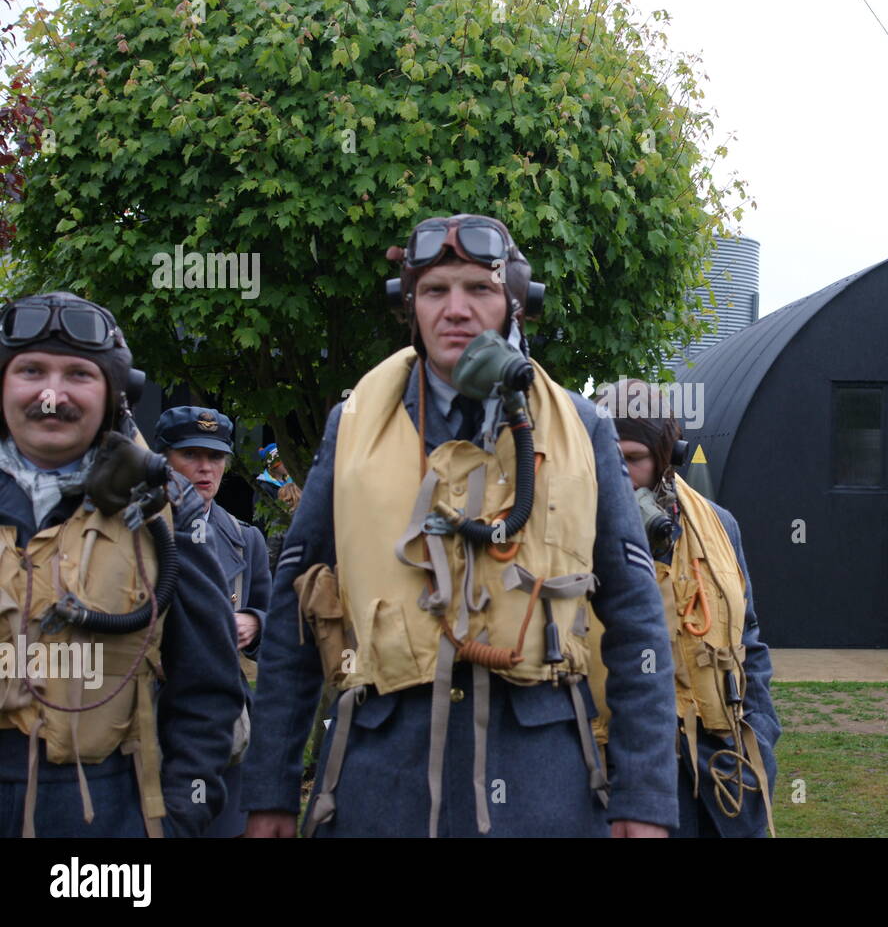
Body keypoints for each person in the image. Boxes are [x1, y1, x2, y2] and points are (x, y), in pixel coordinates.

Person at [241, 213, 678, 837]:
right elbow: (295, 611)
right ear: (409, 305)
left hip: (541, 784)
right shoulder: (354, 425)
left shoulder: (584, 429)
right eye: (435, 290)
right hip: (382, 780)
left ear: (515, 304)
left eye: (480, 288)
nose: (456, 309)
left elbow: (636, 620)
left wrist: (644, 798)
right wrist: (270, 790)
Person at [0, 292, 242, 837]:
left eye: (79, 375)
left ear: (114, 394)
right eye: (31, 370)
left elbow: (208, 687)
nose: (51, 395)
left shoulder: (164, 510)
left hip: (103, 810)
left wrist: (175, 820)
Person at [598, 378, 779, 837]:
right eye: (608, 459)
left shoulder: (719, 525)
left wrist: (762, 732)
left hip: (723, 769)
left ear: (667, 457)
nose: (620, 477)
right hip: (618, 773)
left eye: (633, 459)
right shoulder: (561, 532)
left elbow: (749, 639)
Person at [154, 406, 271, 838]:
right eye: (191, 455)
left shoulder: (245, 538)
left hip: (221, 720)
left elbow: (274, 620)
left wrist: (254, 624)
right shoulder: (131, 531)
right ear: (162, 460)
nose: (206, 468)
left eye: (216, 457)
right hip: (145, 713)